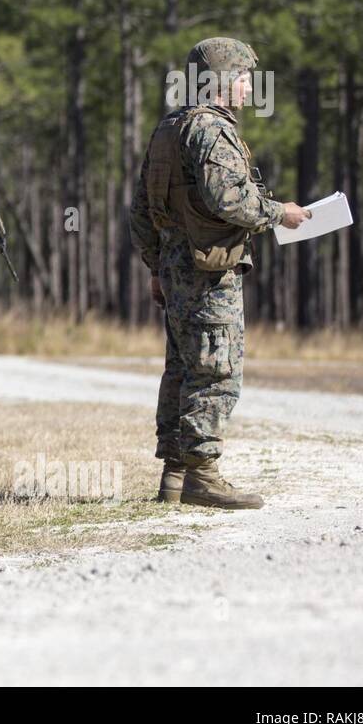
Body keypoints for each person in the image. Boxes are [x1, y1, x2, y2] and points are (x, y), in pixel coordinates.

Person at [130, 37, 311, 509]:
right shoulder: (211, 130)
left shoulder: (168, 127)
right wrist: (279, 213)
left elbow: (140, 210)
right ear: (219, 81)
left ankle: (174, 475)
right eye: (245, 78)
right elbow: (227, 199)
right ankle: (202, 475)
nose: (251, 88)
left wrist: (156, 266)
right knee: (216, 371)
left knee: (183, 368)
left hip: (175, 267)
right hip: (208, 272)